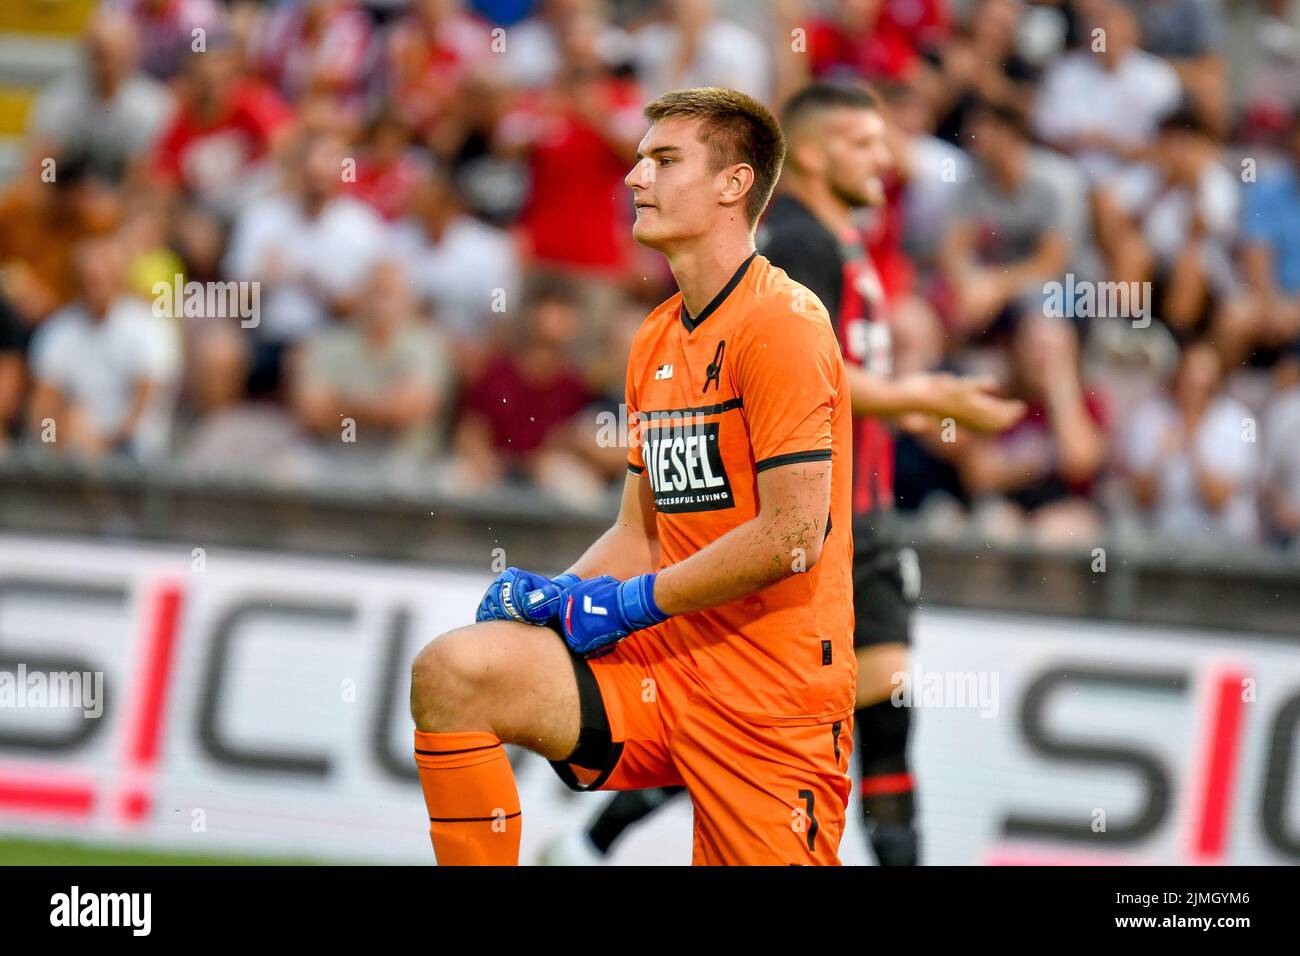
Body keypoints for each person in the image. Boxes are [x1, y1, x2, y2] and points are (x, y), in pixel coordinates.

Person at [538, 82, 1025, 867]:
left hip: (859, 521)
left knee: (875, 721)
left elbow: (824, 383)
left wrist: (910, 403)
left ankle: (592, 841)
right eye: (866, 144)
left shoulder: (845, 242)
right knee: (767, 721)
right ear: (822, 152)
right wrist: (915, 395)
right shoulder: (798, 243)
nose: (885, 159)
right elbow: (817, 370)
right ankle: (593, 836)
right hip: (823, 524)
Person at [410, 87, 857, 865]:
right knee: (455, 671)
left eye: (663, 160)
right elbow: (639, 531)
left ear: (733, 185)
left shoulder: (782, 323)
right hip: (664, 668)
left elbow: (792, 537)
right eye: (641, 160)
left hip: (770, 699)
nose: (634, 178)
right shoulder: (654, 335)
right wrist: (562, 595)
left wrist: (627, 604)